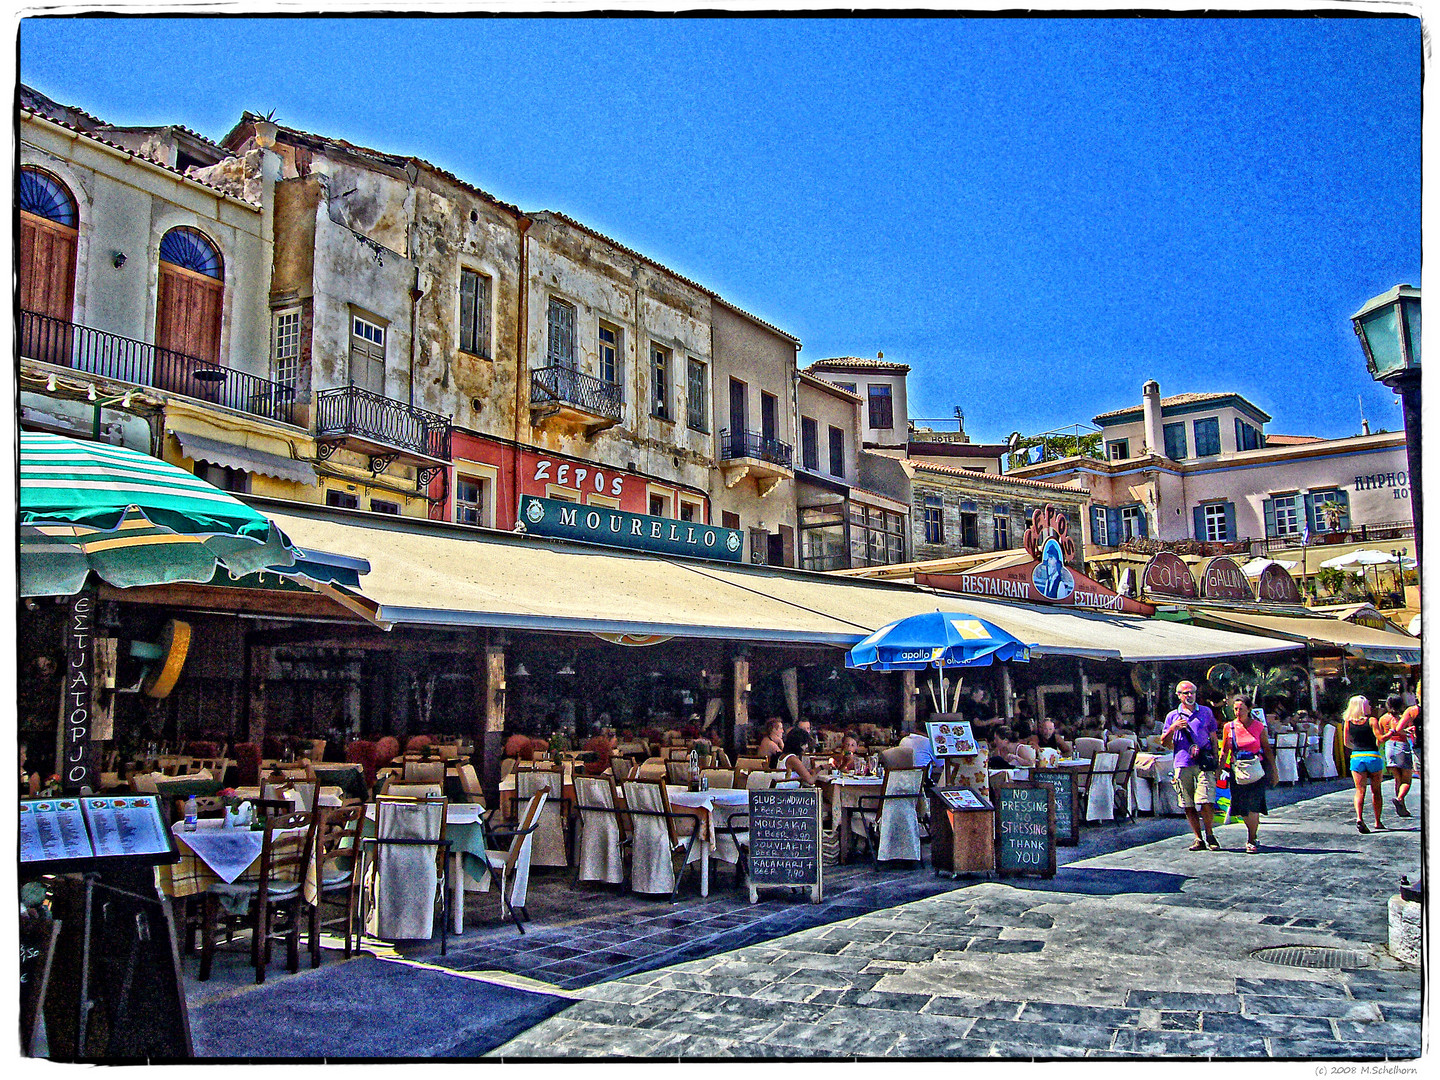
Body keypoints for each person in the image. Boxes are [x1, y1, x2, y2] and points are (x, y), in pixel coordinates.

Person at [1161, 680, 1222, 851]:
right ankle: (1198, 838)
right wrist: (1173, 728)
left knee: (1206, 800)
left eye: (1192, 692)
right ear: (1179, 696)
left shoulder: (1206, 712)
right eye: (1185, 693)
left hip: (1203, 762)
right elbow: (1165, 743)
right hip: (1183, 762)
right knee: (1187, 802)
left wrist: (1216, 761)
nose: (1189, 696)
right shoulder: (1172, 716)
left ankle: (1210, 834)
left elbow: (1213, 736)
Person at [1220, 695, 1276, 854]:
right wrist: (1219, 770)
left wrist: (1273, 770)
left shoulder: (1259, 727)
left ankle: (1251, 839)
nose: (1238, 712)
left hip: (1255, 770)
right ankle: (1253, 833)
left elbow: (1267, 749)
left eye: (1241, 709)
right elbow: (1224, 751)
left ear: (1249, 709)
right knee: (1242, 808)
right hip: (1238, 771)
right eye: (1235, 709)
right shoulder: (1228, 727)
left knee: (1254, 806)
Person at [1343, 695, 1386, 833]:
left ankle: (1359, 818)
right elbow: (1380, 739)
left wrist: (1356, 749)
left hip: (1357, 756)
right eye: (1367, 704)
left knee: (1360, 790)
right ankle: (1377, 821)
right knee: (1376, 790)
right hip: (1372, 755)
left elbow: (1346, 742)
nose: (1370, 706)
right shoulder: (1372, 720)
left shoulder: (1348, 722)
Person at [1378, 694, 1415, 818]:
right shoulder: (1403, 717)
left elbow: (1380, 735)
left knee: (1397, 779)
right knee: (1407, 780)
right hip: (1401, 746)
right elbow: (1409, 731)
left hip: (1389, 746)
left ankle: (1402, 807)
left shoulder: (1383, 718)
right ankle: (1400, 799)